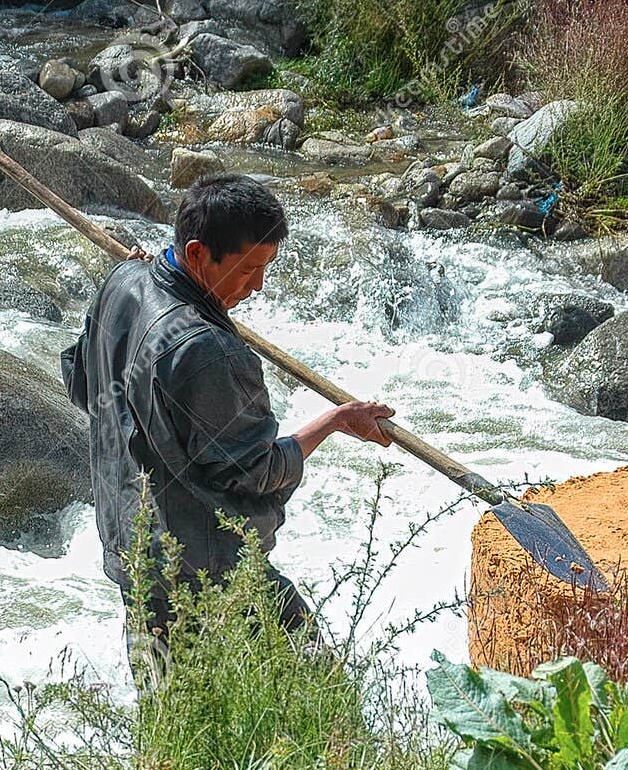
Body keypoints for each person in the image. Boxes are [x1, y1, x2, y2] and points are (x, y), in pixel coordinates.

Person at [61, 173, 394, 657]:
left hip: (135, 557)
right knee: (320, 705)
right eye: (246, 270)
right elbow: (255, 471)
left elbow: (81, 382)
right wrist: (335, 422)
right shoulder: (208, 351)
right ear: (197, 253)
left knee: (171, 716)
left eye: (266, 268)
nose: (257, 286)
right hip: (206, 574)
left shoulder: (123, 281)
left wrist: (134, 282)